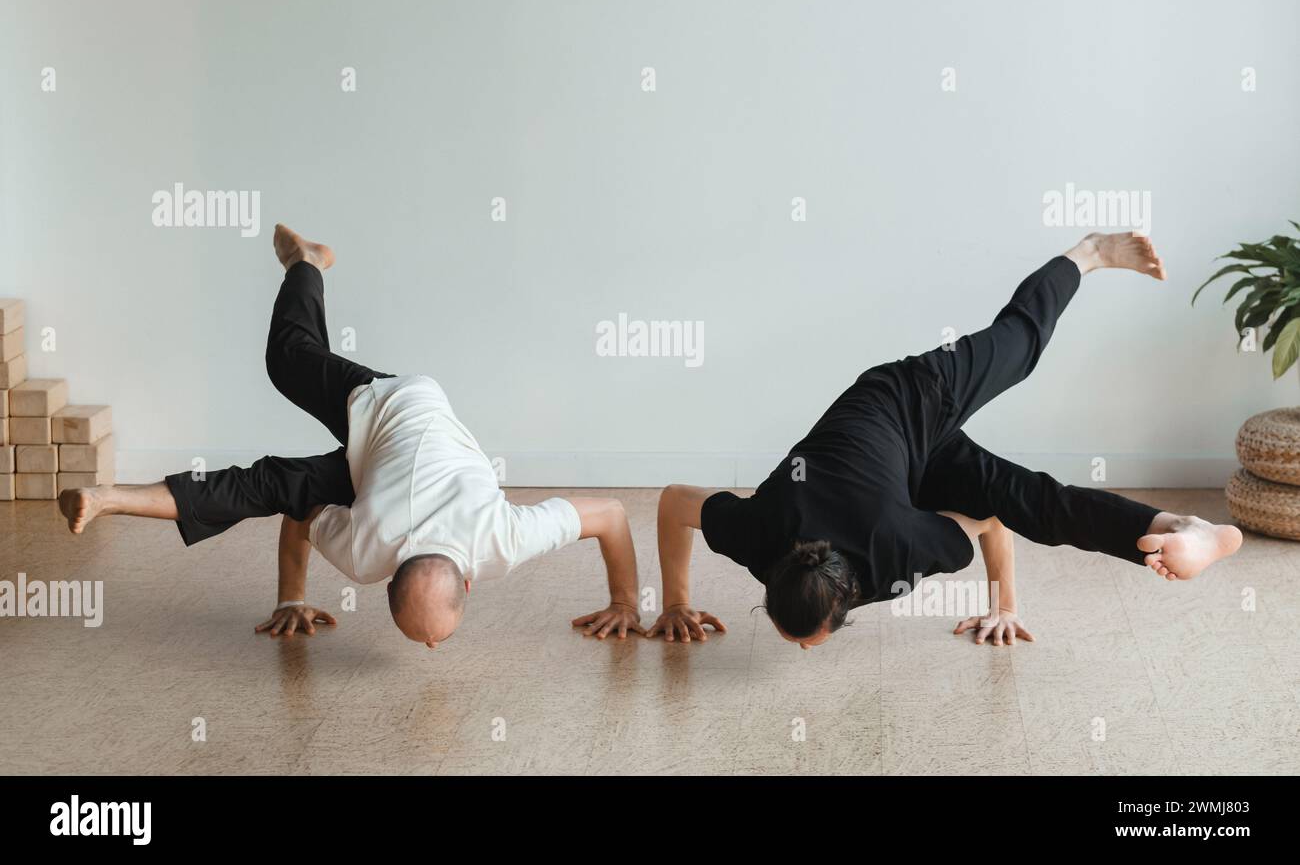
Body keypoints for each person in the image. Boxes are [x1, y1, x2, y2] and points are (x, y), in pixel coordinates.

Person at [648, 231, 1243, 647]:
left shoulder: (892, 551)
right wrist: (675, 604)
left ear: (852, 602)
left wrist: (1003, 604)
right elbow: (677, 502)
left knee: (1020, 349)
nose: (805, 649)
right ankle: (1180, 527)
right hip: (911, 467)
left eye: (806, 640)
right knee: (1045, 503)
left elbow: (988, 520)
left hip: (909, 396)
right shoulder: (756, 538)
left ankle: (1089, 251)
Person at [58, 224, 644, 646]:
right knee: (287, 366)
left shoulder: (491, 541)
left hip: (375, 473)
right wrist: (624, 604)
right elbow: (613, 513)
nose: (433, 649)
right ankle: (306, 260)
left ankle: (109, 497)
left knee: (272, 483)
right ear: (463, 580)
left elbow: (611, 517)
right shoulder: (394, 548)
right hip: (393, 407)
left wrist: (624, 602)